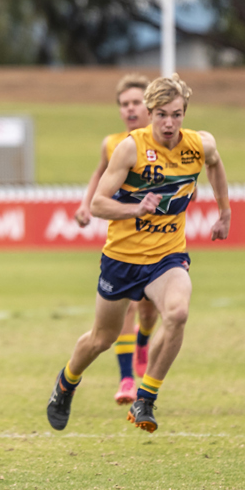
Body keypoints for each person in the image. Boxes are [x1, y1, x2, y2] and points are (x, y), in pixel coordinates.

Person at [46, 74, 229, 434]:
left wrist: (225, 213)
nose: (169, 123)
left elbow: (216, 164)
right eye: (161, 114)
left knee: (177, 313)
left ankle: (146, 398)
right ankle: (66, 382)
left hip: (167, 258)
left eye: (176, 114)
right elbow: (98, 203)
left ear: (185, 113)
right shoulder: (130, 148)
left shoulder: (199, 144)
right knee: (102, 338)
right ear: (149, 113)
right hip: (122, 259)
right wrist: (135, 210)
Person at [75, 73, 162, 405]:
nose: (130, 109)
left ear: (149, 106)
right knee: (124, 309)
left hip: (158, 242)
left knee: (148, 310)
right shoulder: (112, 144)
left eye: (136, 103)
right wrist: (86, 205)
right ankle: (126, 379)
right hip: (123, 238)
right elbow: (99, 173)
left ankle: (143, 342)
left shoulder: (166, 145)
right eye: (124, 104)